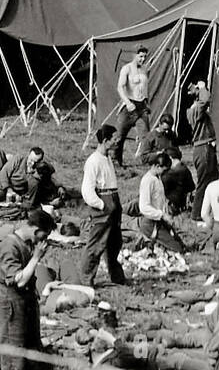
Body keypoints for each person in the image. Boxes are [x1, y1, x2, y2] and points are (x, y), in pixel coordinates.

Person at [0, 208, 53, 370]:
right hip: (11, 306)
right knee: (13, 354)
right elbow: (19, 281)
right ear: (35, 229)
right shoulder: (10, 247)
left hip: (24, 304)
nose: (43, 241)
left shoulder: (25, 243)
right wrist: (36, 257)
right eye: (44, 235)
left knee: (26, 347)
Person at [78, 125, 126, 286]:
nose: (116, 141)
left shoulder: (107, 158)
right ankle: (85, 280)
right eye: (114, 139)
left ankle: (117, 277)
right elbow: (87, 189)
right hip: (103, 203)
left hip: (113, 199)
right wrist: (100, 205)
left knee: (114, 242)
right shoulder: (93, 161)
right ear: (105, 141)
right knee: (96, 244)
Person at [137, 153, 185, 253]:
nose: (165, 173)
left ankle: (153, 242)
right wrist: (162, 215)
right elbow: (144, 207)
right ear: (157, 166)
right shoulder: (148, 181)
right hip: (150, 222)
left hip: (159, 220)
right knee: (178, 249)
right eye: (164, 170)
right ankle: (148, 240)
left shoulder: (157, 178)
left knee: (180, 245)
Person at [112, 45, 151, 167]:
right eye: (140, 56)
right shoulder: (127, 69)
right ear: (134, 55)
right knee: (119, 136)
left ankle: (146, 162)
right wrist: (128, 103)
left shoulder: (145, 69)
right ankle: (116, 162)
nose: (143, 59)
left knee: (146, 136)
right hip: (129, 105)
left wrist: (146, 102)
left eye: (144, 56)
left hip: (141, 107)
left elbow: (144, 88)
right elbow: (120, 87)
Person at [185, 82, 218, 219]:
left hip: (206, 147)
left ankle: (209, 209)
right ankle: (197, 214)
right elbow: (205, 99)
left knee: (213, 179)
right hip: (203, 148)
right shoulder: (195, 110)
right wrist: (202, 87)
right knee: (204, 182)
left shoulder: (195, 110)